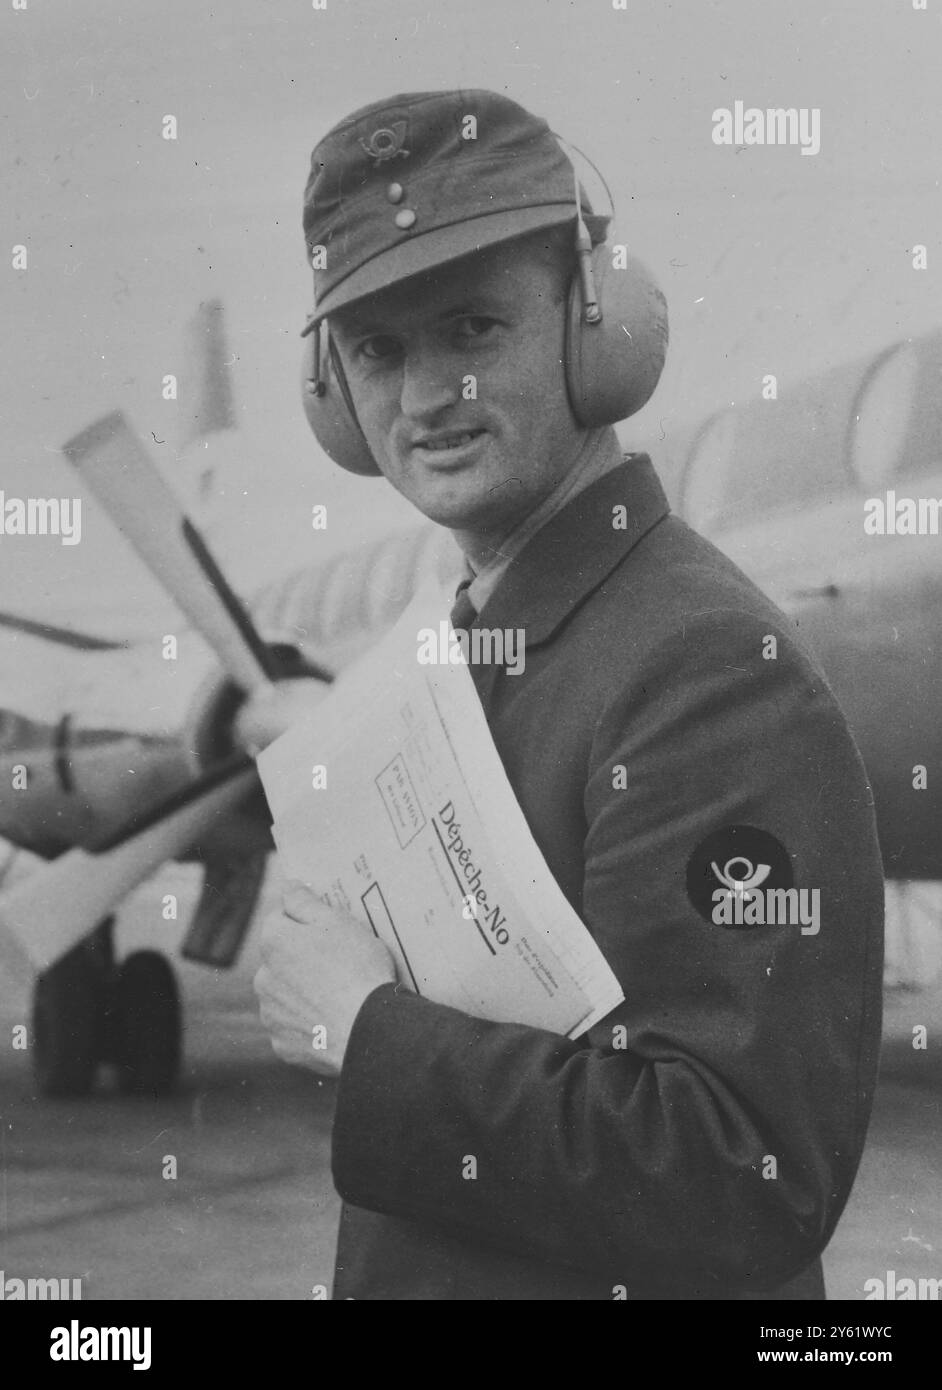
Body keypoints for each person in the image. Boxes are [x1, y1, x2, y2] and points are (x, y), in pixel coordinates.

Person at [251, 89, 884, 1301]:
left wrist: (362, 1031)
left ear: (597, 328)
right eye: (379, 350)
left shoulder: (705, 671)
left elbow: (740, 1172)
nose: (427, 394)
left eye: (476, 326)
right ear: (332, 393)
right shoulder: (470, 647)